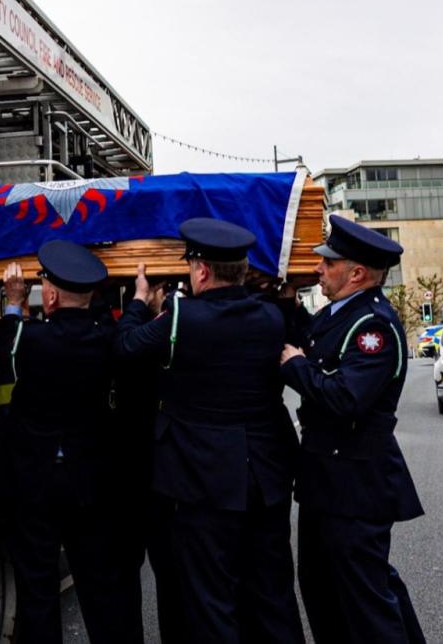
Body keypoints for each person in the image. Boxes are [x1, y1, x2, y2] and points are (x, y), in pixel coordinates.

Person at [113, 218, 304, 644]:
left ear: (200, 271)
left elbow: (126, 348)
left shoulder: (182, 318)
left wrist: (140, 301)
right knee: (273, 597)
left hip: (203, 487)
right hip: (265, 483)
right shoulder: (271, 318)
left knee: (212, 603)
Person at [280, 214, 426, 644]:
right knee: (325, 589)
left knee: (364, 600)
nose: (318, 268)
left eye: (328, 262)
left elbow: (346, 397)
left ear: (357, 273)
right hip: (328, 479)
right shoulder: (341, 313)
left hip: (356, 483)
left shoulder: (373, 327)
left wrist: (295, 368)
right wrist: (288, 302)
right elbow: (313, 339)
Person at [0, 240, 143, 644]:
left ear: (52, 294)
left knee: (37, 592)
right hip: (91, 482)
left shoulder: (31, 338)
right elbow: (121, 330)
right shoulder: (106, 337)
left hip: (37, 482)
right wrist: (141, 296)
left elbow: (3, 361)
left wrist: (12, 302)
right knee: (102, 588)